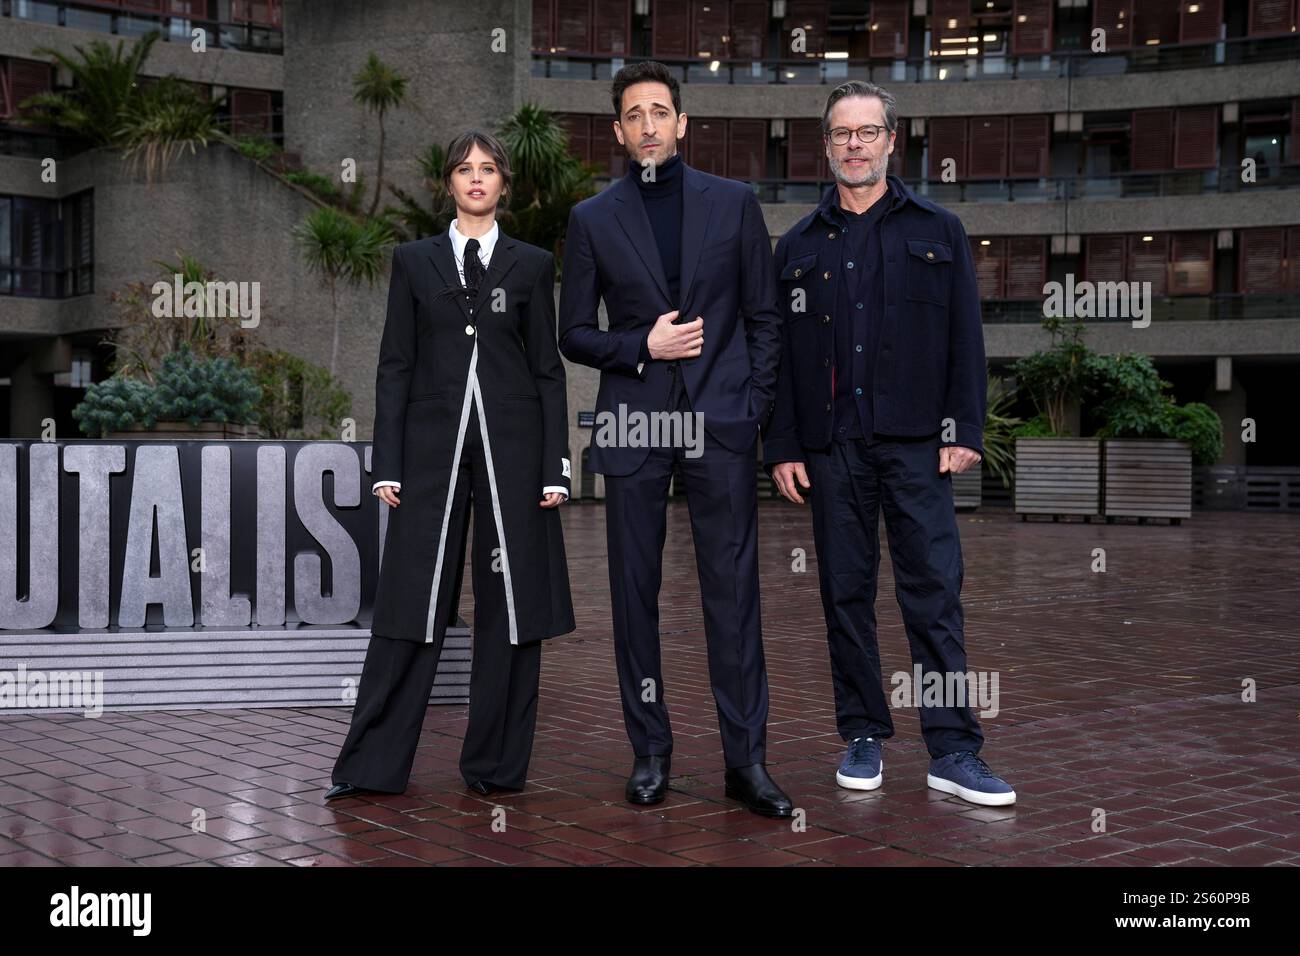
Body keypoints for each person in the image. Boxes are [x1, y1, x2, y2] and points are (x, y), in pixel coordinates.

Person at [764, 81, 1016, 807]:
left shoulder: (939, 230)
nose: (854, 144)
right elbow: (779, 358)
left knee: (934, 593)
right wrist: (782, 444)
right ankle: (863, 733)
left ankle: (955, 749)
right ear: (826, 145)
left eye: (867, 132)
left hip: (916, 446)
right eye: (842, 133)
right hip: (830, 449)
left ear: (891, 141)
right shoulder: (799, 246)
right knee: (844, 594)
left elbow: (966, 337)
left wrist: (964, 427)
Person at [558, 61, 792, 818]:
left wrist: (750, 406)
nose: (649, 124)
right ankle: (650, 751)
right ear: (620, 131)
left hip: (718, 423)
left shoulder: (735, 204)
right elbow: (573, 333)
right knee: (634, 595)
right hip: (635, 421)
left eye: (661, 110)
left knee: (733, 595)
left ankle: (745, 760)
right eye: (635, 114)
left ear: (682, 123)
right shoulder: (593, 218)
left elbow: (765, 318)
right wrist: (638, 347)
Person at [327, 130, 575, 801]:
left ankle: (495, 768)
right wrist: (388, 462)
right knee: (413, 600)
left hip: (515, 456)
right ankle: (372, 769)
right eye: (464, 169)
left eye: (488, 169)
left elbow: (547, 369)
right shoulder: (414, 261)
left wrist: (557, 464)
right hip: (431, 457)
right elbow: (395, 363)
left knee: (513, 607)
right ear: (448, 183)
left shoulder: (527, 265)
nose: (476, 178)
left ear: (503, 184)